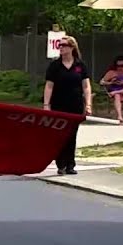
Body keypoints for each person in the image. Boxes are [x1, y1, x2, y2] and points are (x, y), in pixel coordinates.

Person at [43, 35, 92, 175]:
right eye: (60, 45)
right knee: (59, 134)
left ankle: (70, 164)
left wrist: (88, 104)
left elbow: (86, 86)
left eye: (64, 45)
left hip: (75, 104)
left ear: (71, 47)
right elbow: (49, 86)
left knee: (72, 134)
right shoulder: (55, 66)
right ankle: (61, 163)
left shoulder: (80, 65)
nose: (61, 47)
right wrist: (47, 105)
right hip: (59, 104)